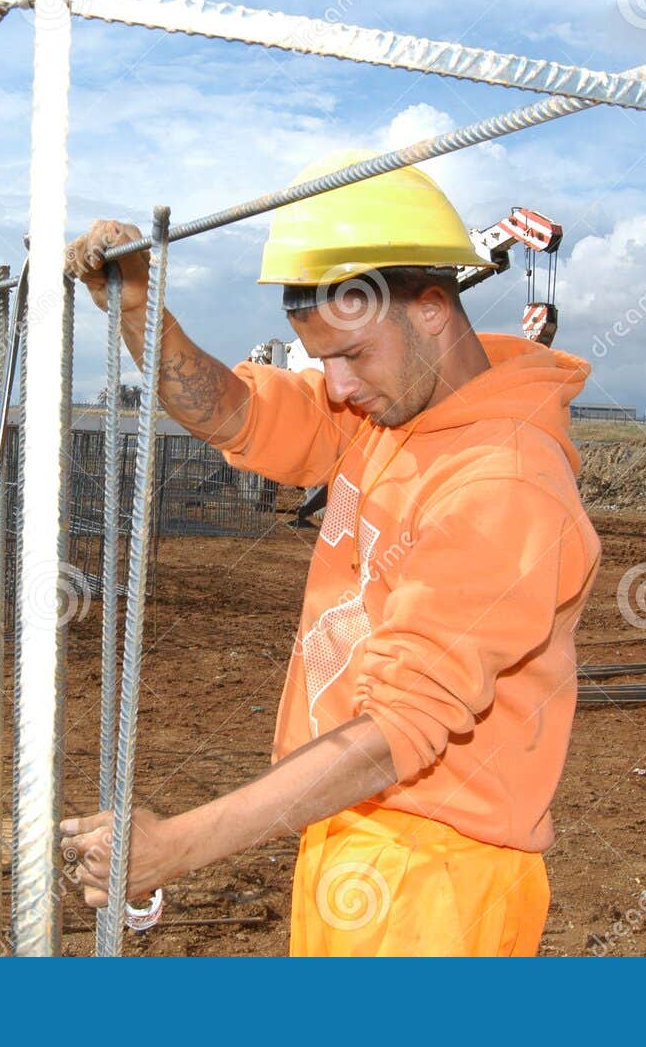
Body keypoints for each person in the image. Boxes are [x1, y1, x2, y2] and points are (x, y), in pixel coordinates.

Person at [59, 149, 602, 956]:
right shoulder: (386, 414)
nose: (337, 387)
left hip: (435, 880)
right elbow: (235, 411)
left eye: (351, 355)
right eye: (323, 361)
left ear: (428, 309)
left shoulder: (504, 483)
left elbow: (399, 727)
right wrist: (139, 308)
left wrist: (174, 848)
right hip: (353, 831)